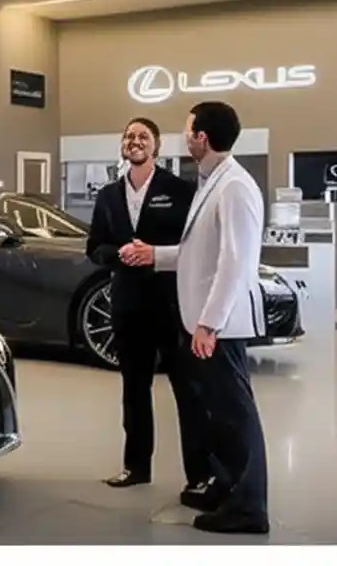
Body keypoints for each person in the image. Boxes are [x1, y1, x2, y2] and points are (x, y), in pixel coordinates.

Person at [120, 101, 270, 535]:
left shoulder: (235, 187)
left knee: (236, 416)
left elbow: (236, 263)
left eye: (188, 131)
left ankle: (248, 508)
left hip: (219, 326)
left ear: (202, 137)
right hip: (204, 322)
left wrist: (210, 323)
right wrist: (156, 255)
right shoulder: (213, 181)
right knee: (218, 414)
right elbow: (200, 251)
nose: (185, 137)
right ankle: (225, 486)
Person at [85, 117, 210, 501]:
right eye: (129, 136)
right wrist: (119, 254)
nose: (134, 141)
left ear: (156, 146)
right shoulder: (108, 195)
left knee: (188, 391)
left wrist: (155, 254)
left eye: (143, 136)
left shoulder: (180, 190)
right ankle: (136, 467)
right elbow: (94, 248)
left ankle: (200, 475)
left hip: (173, 305)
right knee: (134, 390)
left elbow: (197, 245)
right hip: (128, 306)